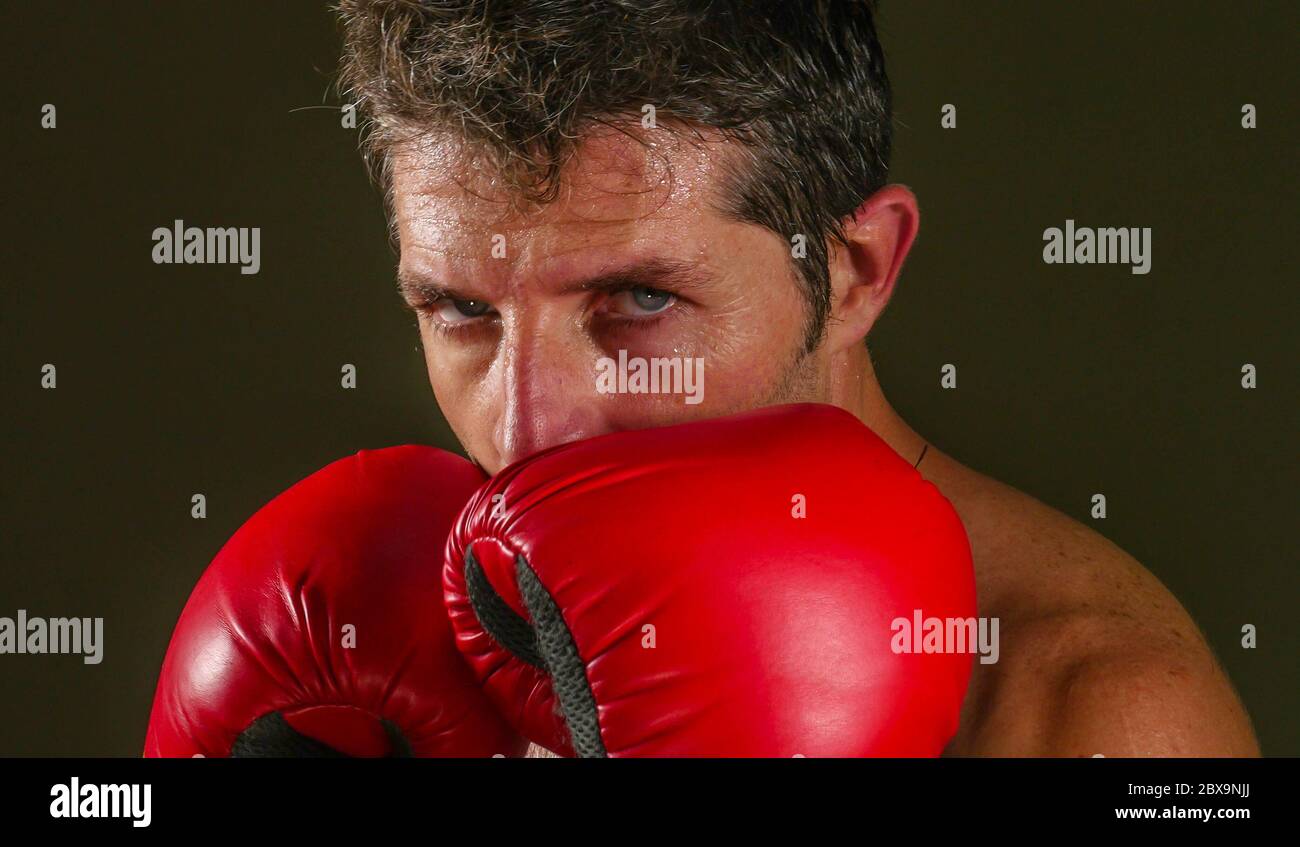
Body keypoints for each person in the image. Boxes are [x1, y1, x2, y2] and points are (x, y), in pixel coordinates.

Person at [328, 0, 1256, 756]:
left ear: (855, 270)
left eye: (640, 298)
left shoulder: (1099, 713)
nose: (527, 432)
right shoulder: (400, 643)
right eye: (462, 311)